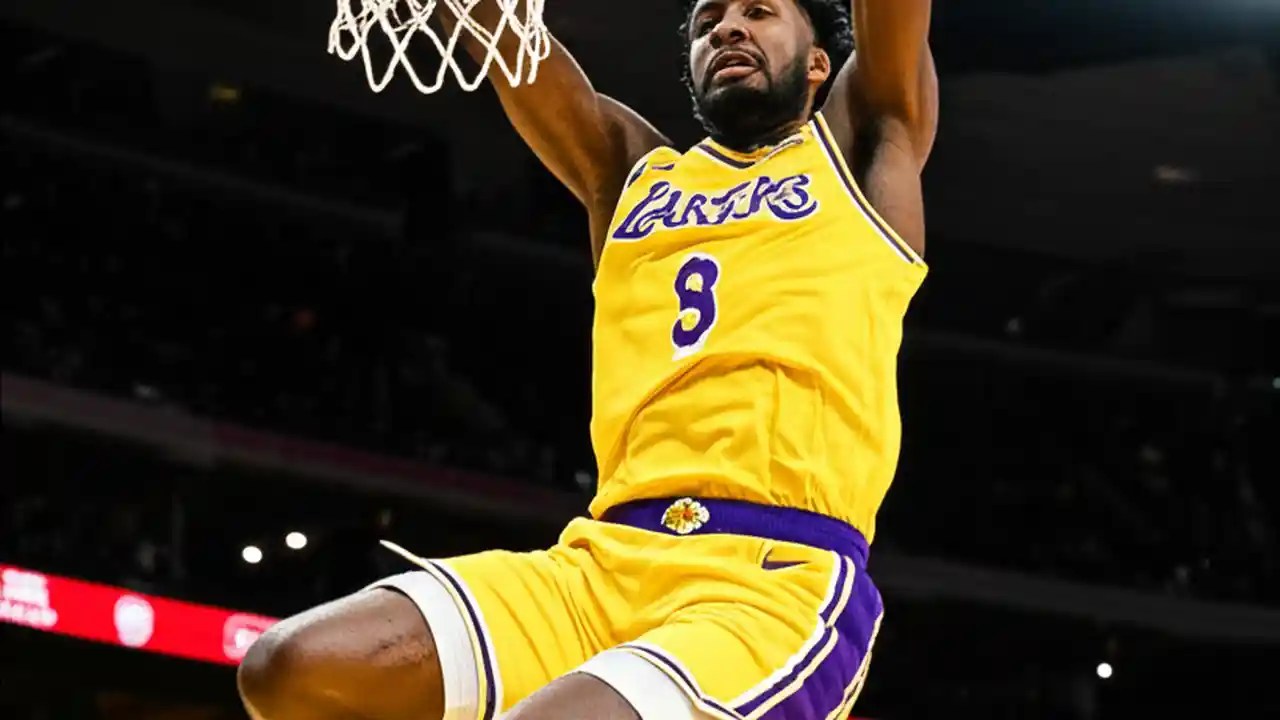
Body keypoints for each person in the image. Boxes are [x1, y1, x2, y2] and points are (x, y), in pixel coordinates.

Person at [237, 0, 937, 718]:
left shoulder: (863, 143)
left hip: (771, 581)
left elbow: (894, 31)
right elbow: (511, 43)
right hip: (602, 563)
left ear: (820, 61)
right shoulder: (630, 172)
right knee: (292, 670)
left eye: (758, 12)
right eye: (706, 22)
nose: (726, 28)